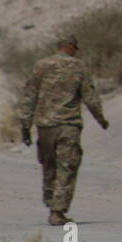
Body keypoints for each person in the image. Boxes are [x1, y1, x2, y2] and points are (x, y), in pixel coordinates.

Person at [19, 34, 108, 225]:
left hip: (45, 127)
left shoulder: (41, 66)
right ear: (70, 47)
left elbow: (29, 97)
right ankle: (57, 210)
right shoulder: (79, 67)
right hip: (68, 126)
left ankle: (50, 201)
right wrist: (101, 119)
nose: (76, 52)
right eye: (76, 48)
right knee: (66, 167)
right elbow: (90, 96)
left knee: (49, 166)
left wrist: (25, 126)